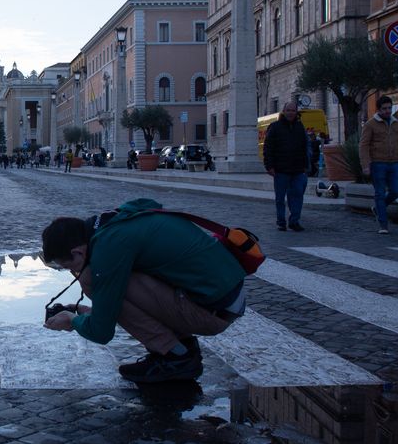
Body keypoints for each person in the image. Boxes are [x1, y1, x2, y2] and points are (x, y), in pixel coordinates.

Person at [41, 198, 246, 384]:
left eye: (71, 267)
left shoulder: (108, 247)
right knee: (112, 283)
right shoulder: (115, 223)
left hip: (212, 312)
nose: (74, 272)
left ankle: (175, 356)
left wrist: (71, 320)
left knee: (94, 280)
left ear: (77, 252)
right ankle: (183, 346)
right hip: (222, 299)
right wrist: (90, 312)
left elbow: (101, 332)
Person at [360, 95, 398, 234]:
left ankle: (378, 208)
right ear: (378, 110)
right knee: (379, 193)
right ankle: (383, 224)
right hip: (378, 164)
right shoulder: (370, 124)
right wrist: (366, 165)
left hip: (394, 163)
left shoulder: (397, 124)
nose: (387, 111)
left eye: (389, 108)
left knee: (396, 191)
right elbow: (364, 145)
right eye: (384, 108)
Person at [263, 100, 309, 232]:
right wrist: (269, 166)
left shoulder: (300, 127)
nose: (290, 113)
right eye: (288, 110)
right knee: (280, 198)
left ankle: (294, 221)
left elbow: (304, 147)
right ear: (284, 111)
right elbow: (268, 147)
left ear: (296, 112)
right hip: (280, 169)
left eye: (293, 110)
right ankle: (281, 222)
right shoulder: (275, 127)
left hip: (298, 169)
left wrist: (306, 165)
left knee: (298, 195)